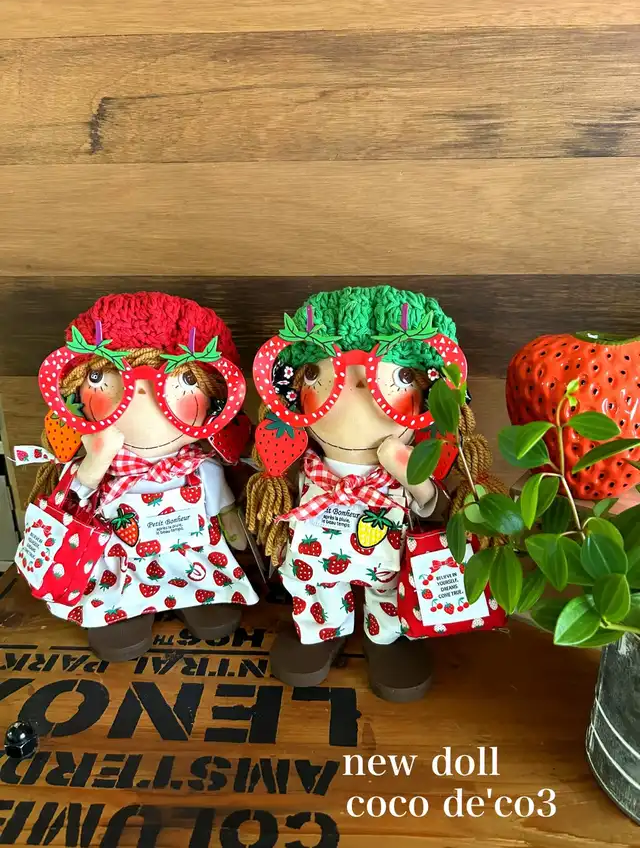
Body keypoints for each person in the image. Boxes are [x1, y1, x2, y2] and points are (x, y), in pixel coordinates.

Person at [246, 285, 459, 701]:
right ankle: (321, 628)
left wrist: (407, 470)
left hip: (387, 554)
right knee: (316, 583)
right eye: (318, 375)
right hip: (319, 551)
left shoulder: (403, 460)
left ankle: (387, 635)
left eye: (400, 378)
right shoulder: (309, 465)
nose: (356, 391)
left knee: (389, 586)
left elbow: (429, 504)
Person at [27, 291, 258, 661]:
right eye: (103, 378)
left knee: (203, 585)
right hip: (121, 567)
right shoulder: (104, 466)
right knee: (115, 594)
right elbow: (71, 505)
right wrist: (94, 464)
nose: (142, 398)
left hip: (192, 560)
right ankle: (123, 608)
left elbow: (225, 512)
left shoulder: (200, 467)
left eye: (183, 381)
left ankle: (198, 597)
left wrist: (235, 529)